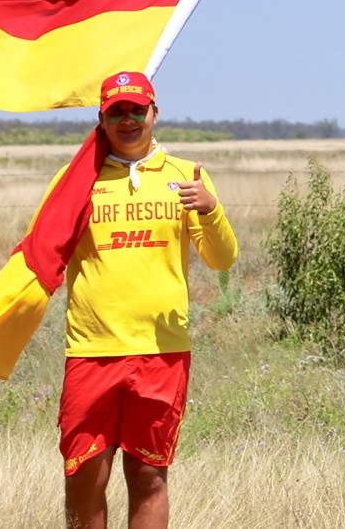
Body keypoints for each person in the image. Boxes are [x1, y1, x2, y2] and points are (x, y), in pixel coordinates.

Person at [51, 70, 238, 529]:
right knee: (83, 476)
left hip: (161, 352)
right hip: (93, 350)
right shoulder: (77, 181)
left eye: (138, 109)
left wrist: (211, 209)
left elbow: (221, 259)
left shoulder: (186, 176)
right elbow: (44, 249)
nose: (128, 119)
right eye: (117, 111)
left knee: (149, 474)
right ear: (102, 118)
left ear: (155, 113)